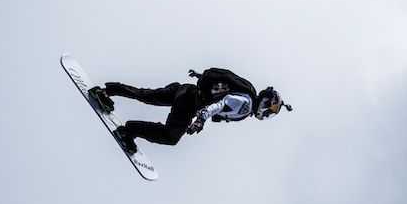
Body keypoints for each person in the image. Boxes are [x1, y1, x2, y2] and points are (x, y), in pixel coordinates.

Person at [88, 67, 291, 153]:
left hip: (186, 90)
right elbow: (220, 103)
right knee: (170, 137)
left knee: (146, 95)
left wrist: (200, 76)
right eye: (271, 111)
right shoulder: (245, 105)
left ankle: (105, 92)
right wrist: (201, 119)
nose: (268, 114)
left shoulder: (245, 91)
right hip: (191, 102)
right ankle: (127, 131)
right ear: (265, 103)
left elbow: (219, 90)